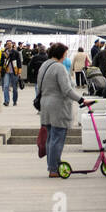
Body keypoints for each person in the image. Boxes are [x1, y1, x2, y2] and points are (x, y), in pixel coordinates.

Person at [36, 43, 79, 178]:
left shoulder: (44, 65)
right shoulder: (59, 68)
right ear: (61, 54)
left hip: (45, 105)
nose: (66, 56)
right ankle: (54, 168)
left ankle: (53, 166)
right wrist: (81, 100)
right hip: (58, 107)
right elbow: (66, 90)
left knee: (50, 138)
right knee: (57, 138)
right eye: (65, 54)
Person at [2, 41, 23, 107]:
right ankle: (6, 101)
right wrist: (0, 70)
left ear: (12, 45)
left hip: (14, 72)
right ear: (6, 45)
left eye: (10, 44)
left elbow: (19, 63)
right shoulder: (4, 53)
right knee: (6, 86)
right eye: (8, 44)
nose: (9, 45)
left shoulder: (16, 52)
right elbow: (1, 62)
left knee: (14, 87)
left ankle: (14, 101)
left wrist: (19, 72)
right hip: (6, 72)